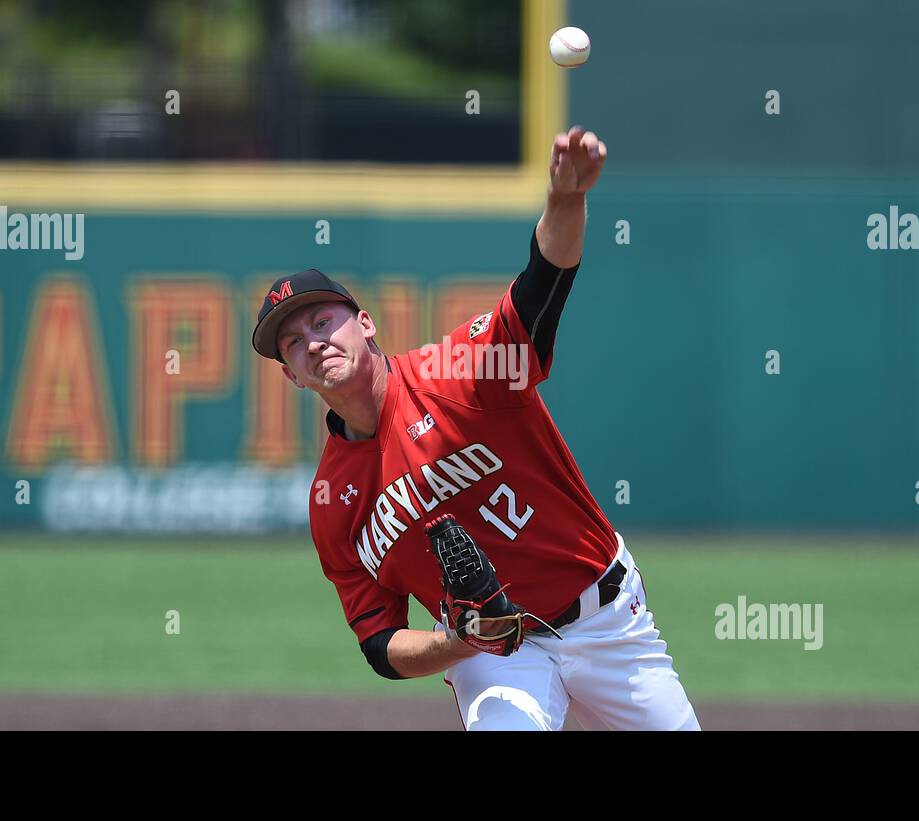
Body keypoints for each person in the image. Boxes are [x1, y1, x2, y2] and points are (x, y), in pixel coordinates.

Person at [251, 126, 699, 731]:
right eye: (293, 342)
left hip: (606, 620)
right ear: (291, 377)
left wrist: (566, 201)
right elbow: (380, 645)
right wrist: (463, 642)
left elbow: (541, 286)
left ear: (366, 323)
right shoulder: (334, 502)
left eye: (323, 321)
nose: (313, 343)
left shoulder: (459, 373)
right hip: (497, 658)